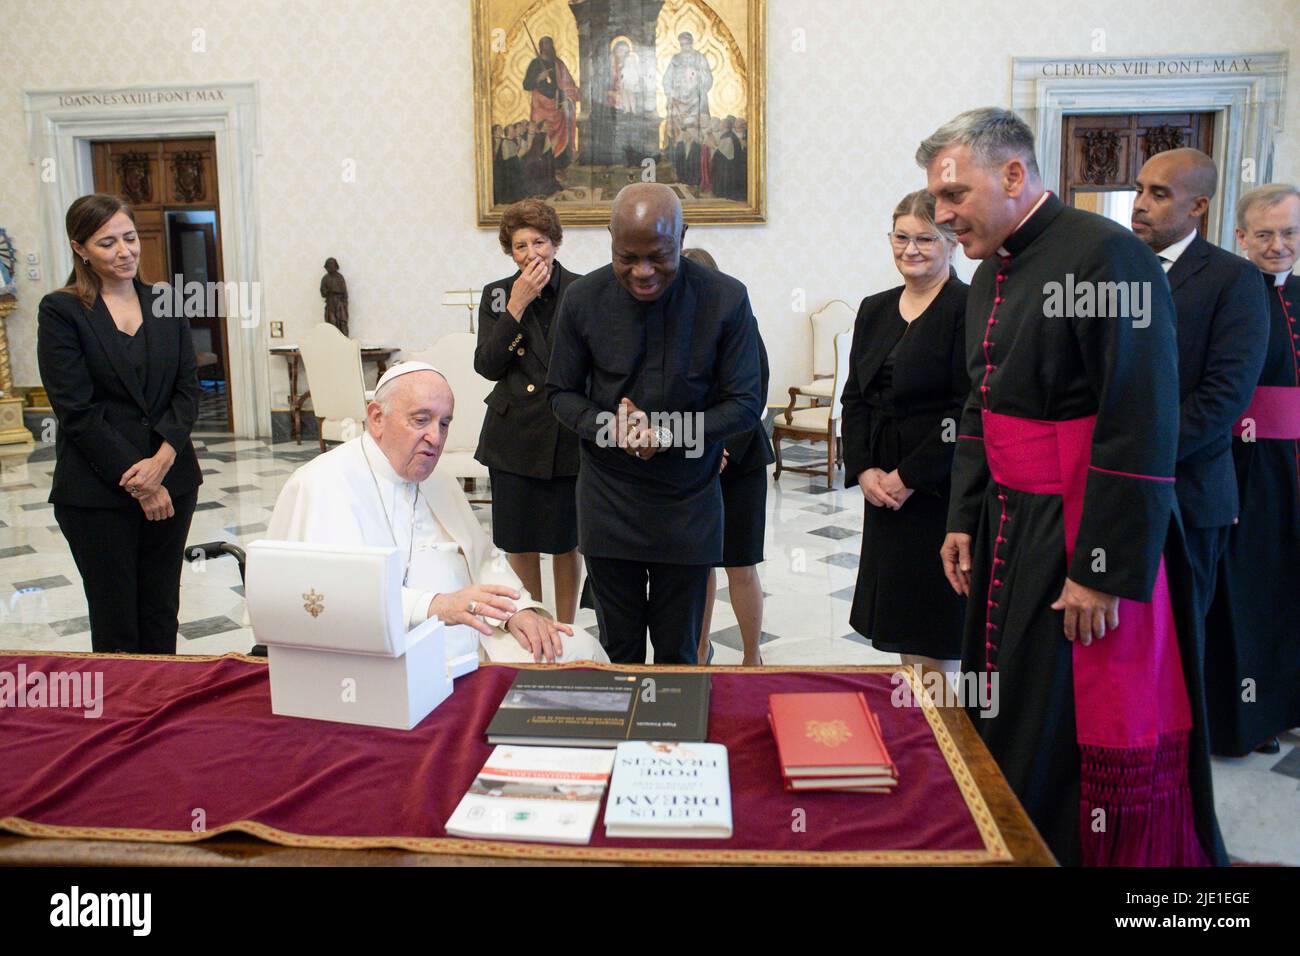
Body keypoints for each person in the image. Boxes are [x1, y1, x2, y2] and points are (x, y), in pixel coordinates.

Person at [922, 108, 1225, 866]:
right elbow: (977, 402)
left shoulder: (1108, 258)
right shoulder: (991, 267)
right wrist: (963, 515)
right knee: (1011, 703)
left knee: (1062, 716)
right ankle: (1012, 838)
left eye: (955, 193)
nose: (943, 214)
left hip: (1084, 532)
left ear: (1015, 174)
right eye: (936, 200)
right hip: (1008, 524)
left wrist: (1102, 571)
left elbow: (1139, 421)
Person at [546, 183, 762, 664]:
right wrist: (612, 429)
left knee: (679, 652)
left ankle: (673, 741)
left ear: (683, 237)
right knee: (617, 648)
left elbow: (746, 403)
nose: (642, 272)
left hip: (687, 502)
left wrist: (666, 433)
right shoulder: (582, 299)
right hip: (609, 500)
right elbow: (559, 393)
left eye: (658, 256)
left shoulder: (725, 299)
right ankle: (621, 738)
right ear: (609, 238)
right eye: (628, 257)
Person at [266, 362, 607, 665]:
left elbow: (485, 559)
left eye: (444, 424)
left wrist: (518, 610)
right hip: (377, 659)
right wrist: (433, 605)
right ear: (377, 418)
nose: (435, 437)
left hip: (478, 640)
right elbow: (323, 599)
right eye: (421, 420)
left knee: (581, 650)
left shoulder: (439, 480)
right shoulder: (321, 485)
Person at [37, 193, 203, 653]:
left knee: (160, 608)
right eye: (107, 243)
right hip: (97, 491)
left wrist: (163, 462)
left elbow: (187, 391)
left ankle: (162, 709)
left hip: (173, 481)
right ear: (80, 248)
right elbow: (75, 409)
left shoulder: (165, 301)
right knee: (116, 619)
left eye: (129, 238)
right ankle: (125, 718)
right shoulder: (61, 311)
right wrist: (141, 481)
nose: (124, 251)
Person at [1130, 149, 1269, 629]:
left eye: (1159, 193)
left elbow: (1224, 396)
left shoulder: (1234, 278)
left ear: (1198, 206)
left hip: (1189, 493)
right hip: (1117, 493)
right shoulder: (1114, 269)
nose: (1141, 203)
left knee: (1182, 643)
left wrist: (1141, 457)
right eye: (1140, 190)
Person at [840, 190, 968, 681]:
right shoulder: (874, 308)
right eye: (901, 237)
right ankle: (920, 714)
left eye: (925, 239)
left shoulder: (968, 305)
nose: (910, 249)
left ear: (951, 243)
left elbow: (968, 409)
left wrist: (909, 476)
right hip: (884, 491)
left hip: (939, 488)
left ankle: (945, 730)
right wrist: (865, 468)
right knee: (900, 618)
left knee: (937, 619)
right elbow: (854, 396)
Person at [1205, 183, 1300, 756]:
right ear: (1240, 237)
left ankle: (1286, 707)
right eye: (1264, 234)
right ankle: (1244, 718)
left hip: (1293, 468)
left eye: (1289, 233)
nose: (1278, 245)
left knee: (1290, 586)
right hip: (1243, 463)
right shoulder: (1228, 293)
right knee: (1247, 592)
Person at [474, 200, 583, 625]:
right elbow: (487, 366)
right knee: (520, 541)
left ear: (554, 243)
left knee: (566, 541)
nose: (531, 253)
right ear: (510, 251)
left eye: (539, 241)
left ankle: (568, 626)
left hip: (565, 433)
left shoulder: (582, 289)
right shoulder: (497, 294)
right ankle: (533, 622)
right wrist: (516, 306)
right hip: (513, 435)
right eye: (520, 245)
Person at [685, 248, 774, 667]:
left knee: (740, 565)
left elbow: (753, 396)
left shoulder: (741, 320)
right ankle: (700, 651)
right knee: (698, 567)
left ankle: (752, 656)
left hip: (740, 460)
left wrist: (722, 446)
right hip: (690, 460)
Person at [523, 36, 579, 171]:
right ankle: (539, 166)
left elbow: (568, 85)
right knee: (541, 134)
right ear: (541, 47)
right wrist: (539, 78)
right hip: (540, 106)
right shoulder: (535, 64)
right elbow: (526, 85)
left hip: (557, 106)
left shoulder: (558, 64)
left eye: (550, 44)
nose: (548, 47)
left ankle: (559, 164)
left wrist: (568, 98)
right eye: (545, 44)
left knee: (560, 134)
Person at [664, 33, 712, 154]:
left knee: (695, 130)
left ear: (691, 43)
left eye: (687, 43)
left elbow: (707, 79)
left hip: (695, 100)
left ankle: (695, 154)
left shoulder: (699, 58)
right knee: (678, 133)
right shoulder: (675, 59)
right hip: (678, 101)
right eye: (682, 44)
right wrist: (671, 92)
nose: (685, 46)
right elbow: (667, 79)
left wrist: (697, 78)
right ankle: (678, 154)